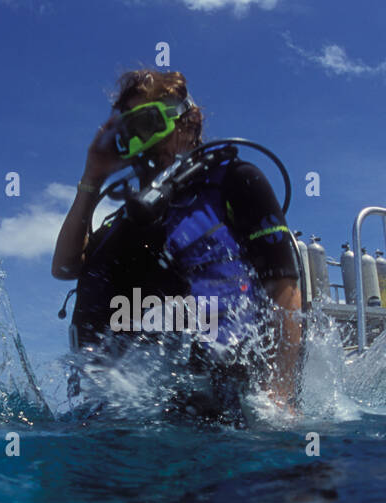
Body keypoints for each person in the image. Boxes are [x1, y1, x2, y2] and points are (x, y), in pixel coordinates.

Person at [52, 69, 303, 425]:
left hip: (211, 419)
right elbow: (63, 268)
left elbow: (285, 287)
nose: (142, 142)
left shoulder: (237, 181)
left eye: (149, 123)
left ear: (189, 123)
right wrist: (93, 176)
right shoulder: (125, 219)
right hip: (108, 420)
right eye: (129, 132)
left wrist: (278, 401)